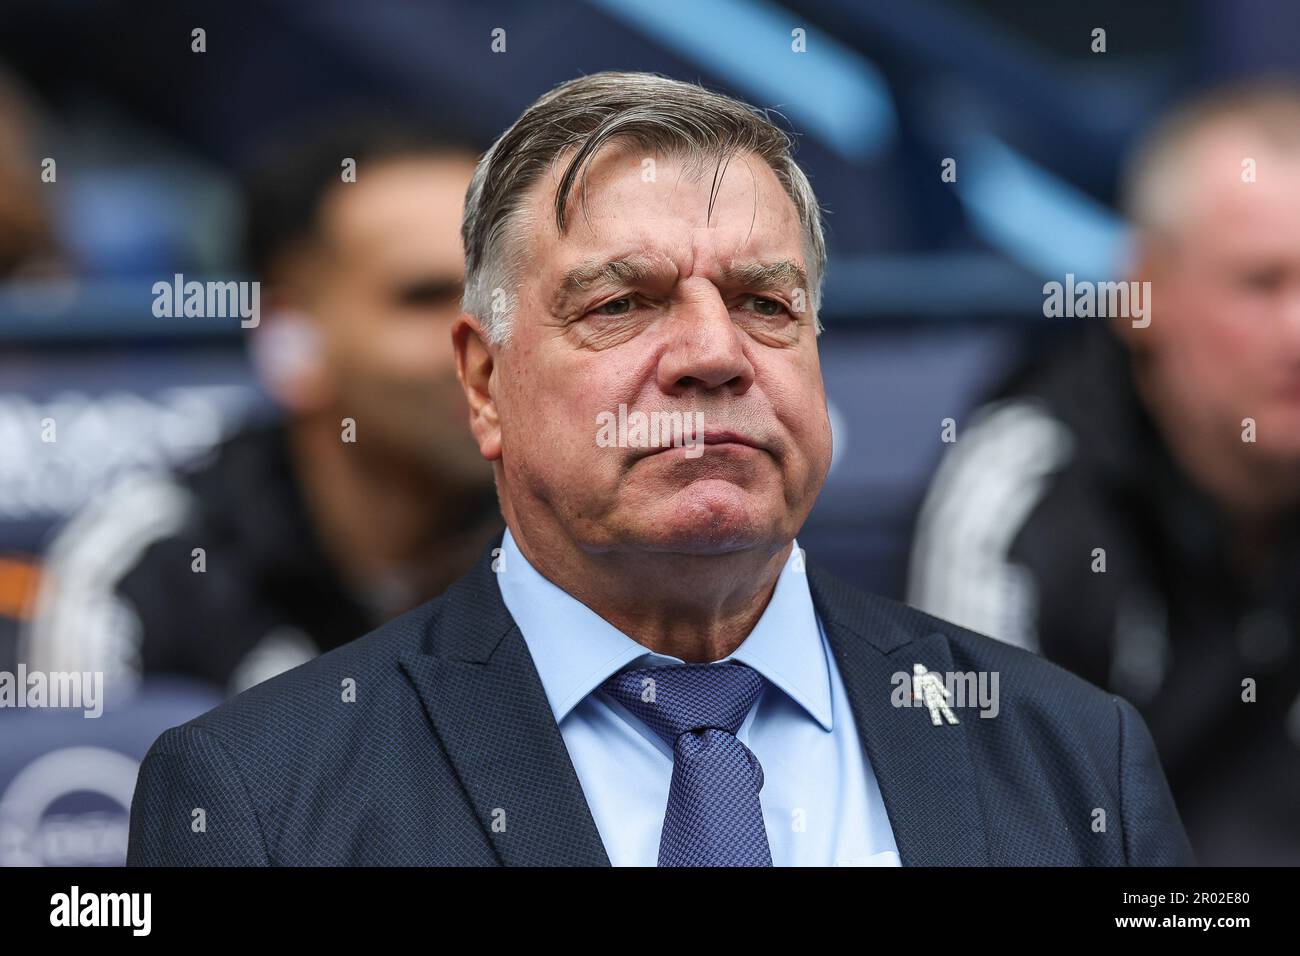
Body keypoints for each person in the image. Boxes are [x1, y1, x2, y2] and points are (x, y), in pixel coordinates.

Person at [127, 72, 1192, 867]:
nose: (713, 353)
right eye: (620, 303)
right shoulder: (261, 795)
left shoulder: (1071, 755)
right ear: (485, 381)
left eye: (765, 301)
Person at [908, 82, 1300, 865]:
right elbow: (972, 832)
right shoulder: (1022, 485)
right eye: (1261, 283)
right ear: (1142, 294)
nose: (1297, 331)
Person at [22, 119, 501, 697]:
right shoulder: (147, 575)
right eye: (422, 297)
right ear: (292, 342)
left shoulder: (595, 545)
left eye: (500, 290)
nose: (487, 339)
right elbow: (78, 780)